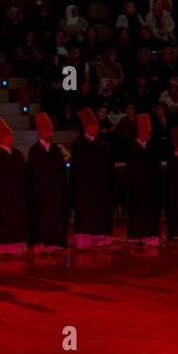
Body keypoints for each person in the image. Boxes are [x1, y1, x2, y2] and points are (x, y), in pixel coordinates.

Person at [70, 107, 113, 248]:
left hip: (101, 188)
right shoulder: (77, 145)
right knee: (86, 216)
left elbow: (109, 168)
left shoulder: (103, 144)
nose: (95, 128)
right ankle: (84, 240)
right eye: (92, 125)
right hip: (84, 189)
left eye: (96, 125)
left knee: (100, 215)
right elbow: (75, 171)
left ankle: (101, 239)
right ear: (85, 127)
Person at [0, 118, 27, 256]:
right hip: (3, 196)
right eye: (8, 135)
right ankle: (3, 247)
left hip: (17, 195)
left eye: (11, 135)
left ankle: (16, 247)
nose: (11, 138)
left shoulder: (16, 153)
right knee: (4, 223)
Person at [27, 113, 68, 252]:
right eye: (48, 131)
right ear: (41, 132)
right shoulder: (34, 151)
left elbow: (62, 172)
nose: (51, 133)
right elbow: (32, 174)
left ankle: (54, 242)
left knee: (54, 218)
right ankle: (41, 243)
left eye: (52, 131)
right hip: (40, 194)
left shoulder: (56, 150)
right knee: (42, 219)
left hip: (55, 192)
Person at [125, 114, 163, 246]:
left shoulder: (154, 147)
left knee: (151, 213)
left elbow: (157, 169)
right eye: (144, 132)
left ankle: (151, 236)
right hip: (136, 189)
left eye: (148, 132)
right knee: (137, 213)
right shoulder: (132, 148)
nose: (146, 134)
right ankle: (137, 237)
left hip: (151, 188)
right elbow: (129, 172)